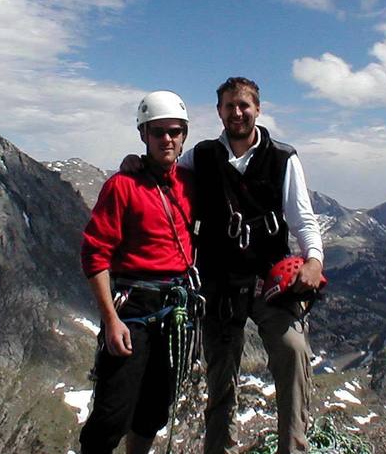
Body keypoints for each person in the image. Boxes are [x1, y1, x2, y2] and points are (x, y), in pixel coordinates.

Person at [122, 78, 324, 452]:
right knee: (220, 382)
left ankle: (293, 448)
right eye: (229, 106)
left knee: (293, 350)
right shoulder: (200, 157)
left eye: (244, 105)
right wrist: (137, 163)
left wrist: (314, 259)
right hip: (220, 284)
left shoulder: (283, 158)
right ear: (219, 111)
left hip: (270, 280)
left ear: (258, 110)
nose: (237, 113)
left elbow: (303, 218)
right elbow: (163, 170)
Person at [79, 90, 199, 454]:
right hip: (134, 309)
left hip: (177, 309)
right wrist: (111, 320)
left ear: (183, 136)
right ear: (144, 134)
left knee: (153, 410)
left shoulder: (190, 182)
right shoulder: (122, 186)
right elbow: (95, 254)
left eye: (174, 131)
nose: (167, 138)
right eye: (158, 131)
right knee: (112, 413)